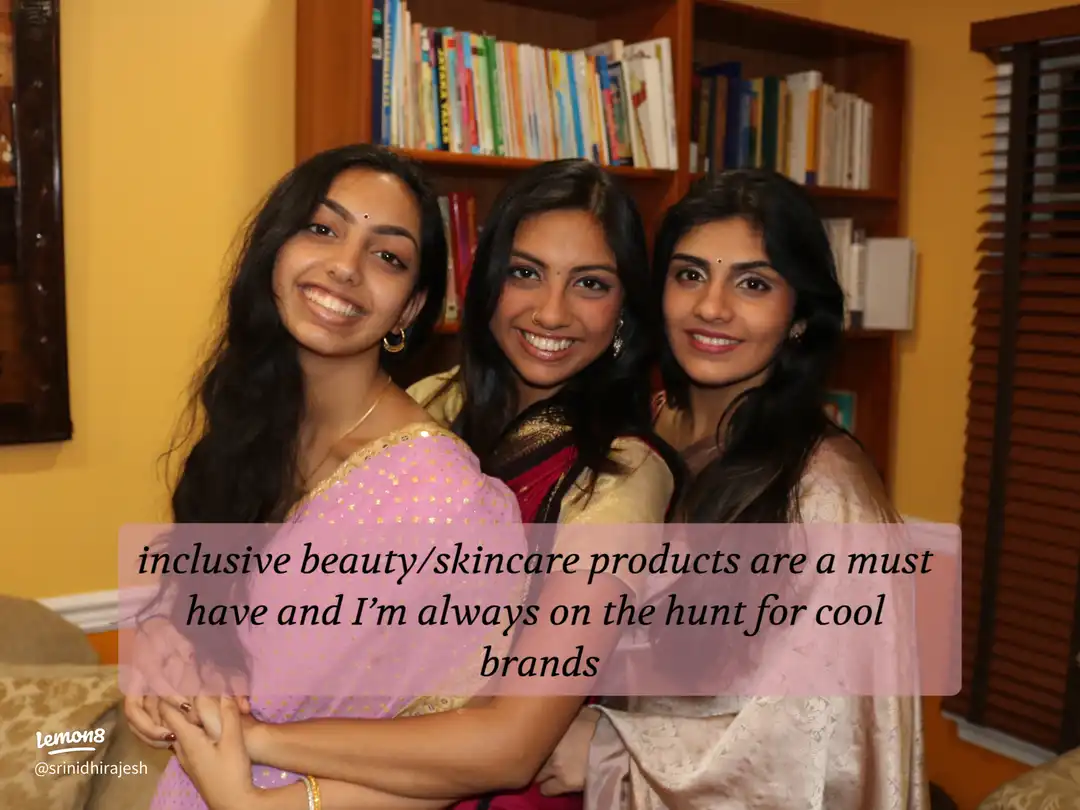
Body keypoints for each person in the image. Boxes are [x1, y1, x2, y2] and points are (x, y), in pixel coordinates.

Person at [150, 159, 682, 810]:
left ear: (626, 311)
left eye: (591, 284)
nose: (551, 311)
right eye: (524, 273)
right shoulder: (431, 401)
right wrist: (170, 659)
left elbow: (510, 744)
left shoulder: (621, 475)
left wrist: (256, 742)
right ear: (484, 285)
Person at [124, 143, 527, 810]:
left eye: (388, 256)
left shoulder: (445, 499)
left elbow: (451, 761)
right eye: (322, 228)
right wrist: (158, 652)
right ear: (275, 251)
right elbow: (202, 611)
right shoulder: (252, 427)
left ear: (409, 309)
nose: (345, 266)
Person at [535, 169, 930, 809]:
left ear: (799, 316)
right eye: (690, 274)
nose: (712, 307)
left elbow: (832, 745)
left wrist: (614, 751)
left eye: (753, 284)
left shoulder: (826, 496)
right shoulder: (641, 432)